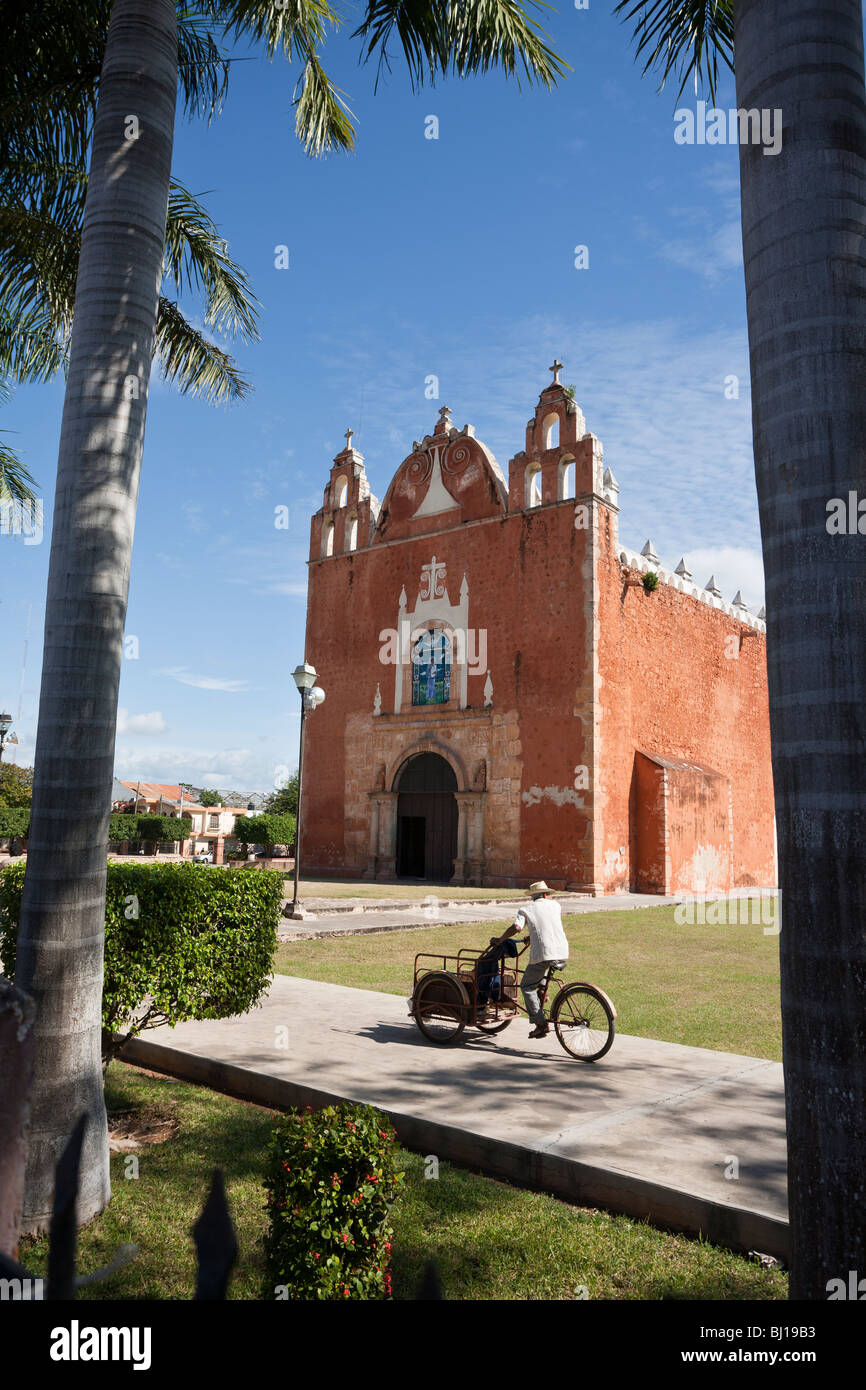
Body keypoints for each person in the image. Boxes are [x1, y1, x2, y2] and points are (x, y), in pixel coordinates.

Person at [492, 880, 568, 1038]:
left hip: (543, 953)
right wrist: (531, 936)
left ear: (532, 896)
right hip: (561, 950)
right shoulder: (556, 905)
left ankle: (540, 1024)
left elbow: (516, 928)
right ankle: (542, 993)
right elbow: (546, 925)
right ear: (546, 894)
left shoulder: (526, 909)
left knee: (526, 986)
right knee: (539, 977)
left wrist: (500, 939)